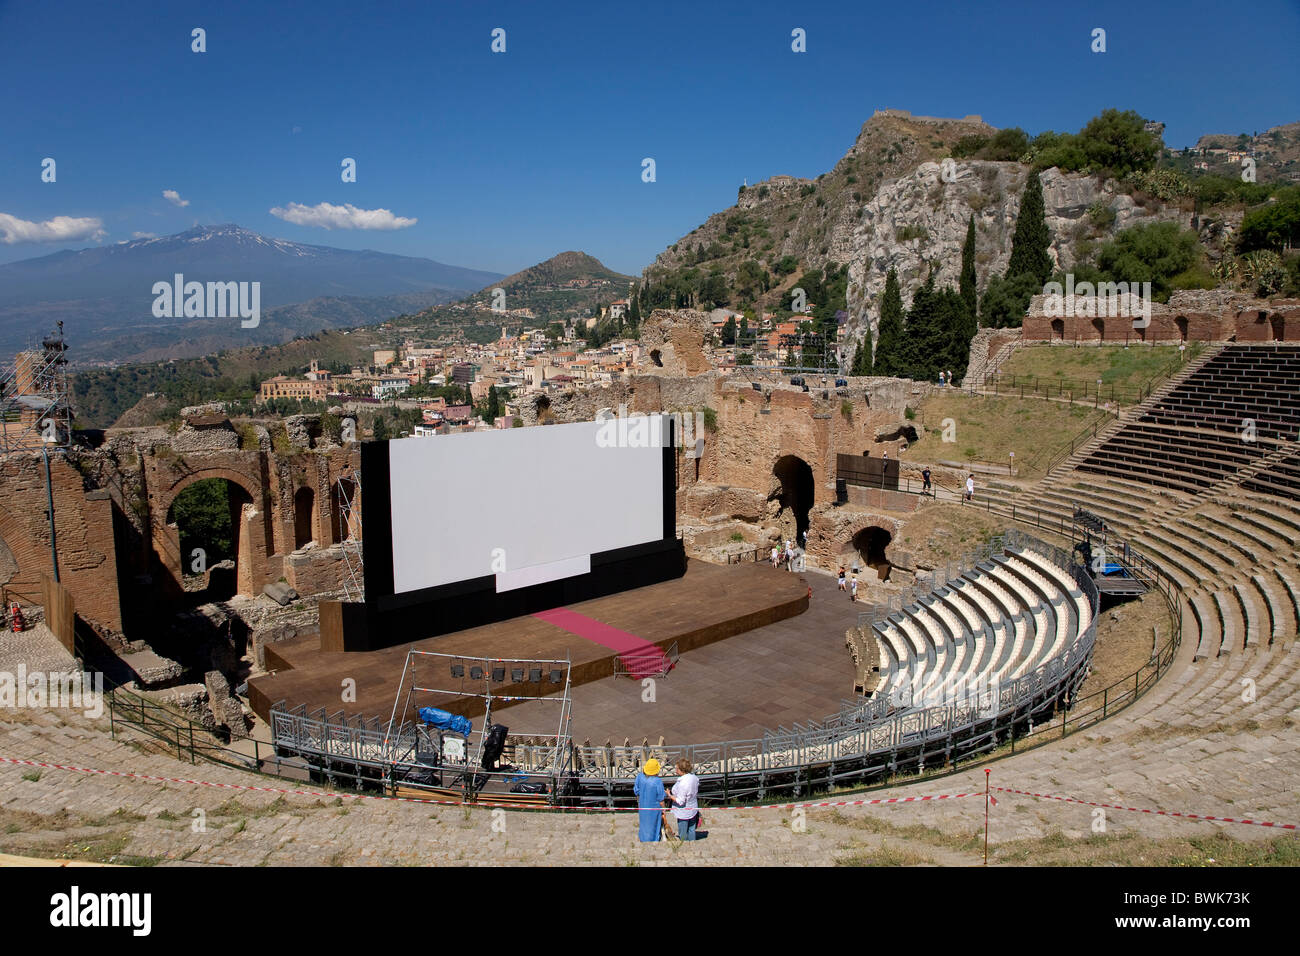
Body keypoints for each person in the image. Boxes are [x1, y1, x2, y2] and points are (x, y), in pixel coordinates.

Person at [666, 759, 701, 840]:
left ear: (682, 770)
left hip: (684, 811)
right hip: (693, 807)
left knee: (683, 831)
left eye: (677, 768)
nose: (675, 770)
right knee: (691, 829)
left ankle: (684, 846)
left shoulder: (683, 783)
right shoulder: (694, 778)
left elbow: (680, 801)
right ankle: (692, 843)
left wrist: (669, 795)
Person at [634, 759, 666, 842]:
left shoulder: (640, 776)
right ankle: (654, 840)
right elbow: (661, 798)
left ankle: (643, 839)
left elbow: (636, 791)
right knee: (654, 825)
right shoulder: (658, 781)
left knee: (644, 824)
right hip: (654, 808)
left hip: (643, 805)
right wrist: (664, 810)